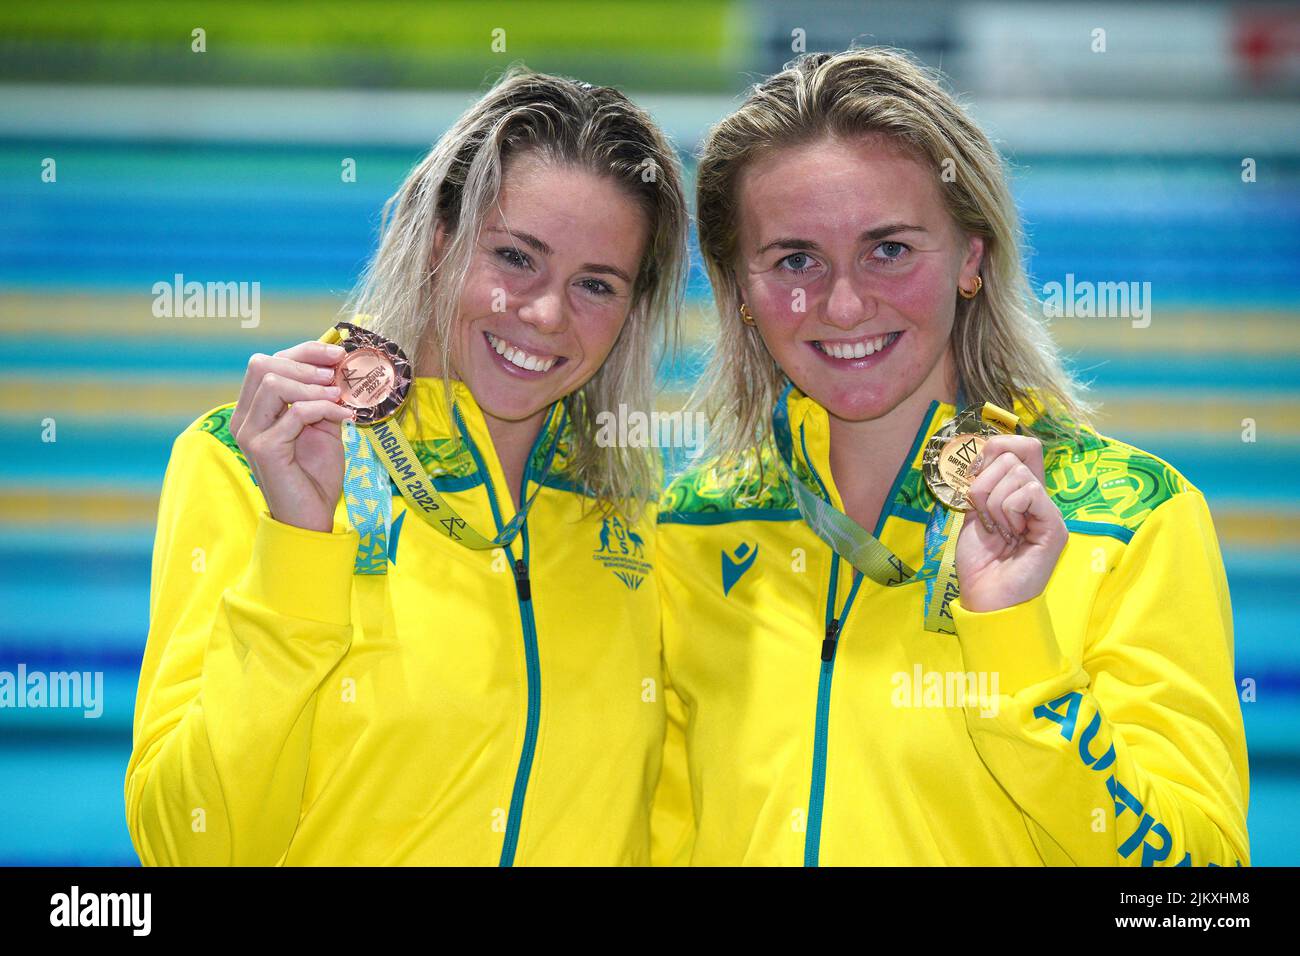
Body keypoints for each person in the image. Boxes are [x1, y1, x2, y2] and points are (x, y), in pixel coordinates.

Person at [651, 48, 1250, 866]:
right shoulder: (694, 527)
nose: (845, 301)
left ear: (972, 257)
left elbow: (1199, 888)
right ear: (741, 291)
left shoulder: (1129, 516)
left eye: (889, 248)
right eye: (795, 260)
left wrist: (1012, 643)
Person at [125, 67, 689, 865]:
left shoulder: (635, 509)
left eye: (596, 284)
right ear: (437, 238)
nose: (546, 313)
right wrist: (297, 546)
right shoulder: (247, 460)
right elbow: (188, 846)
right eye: (516, 257)